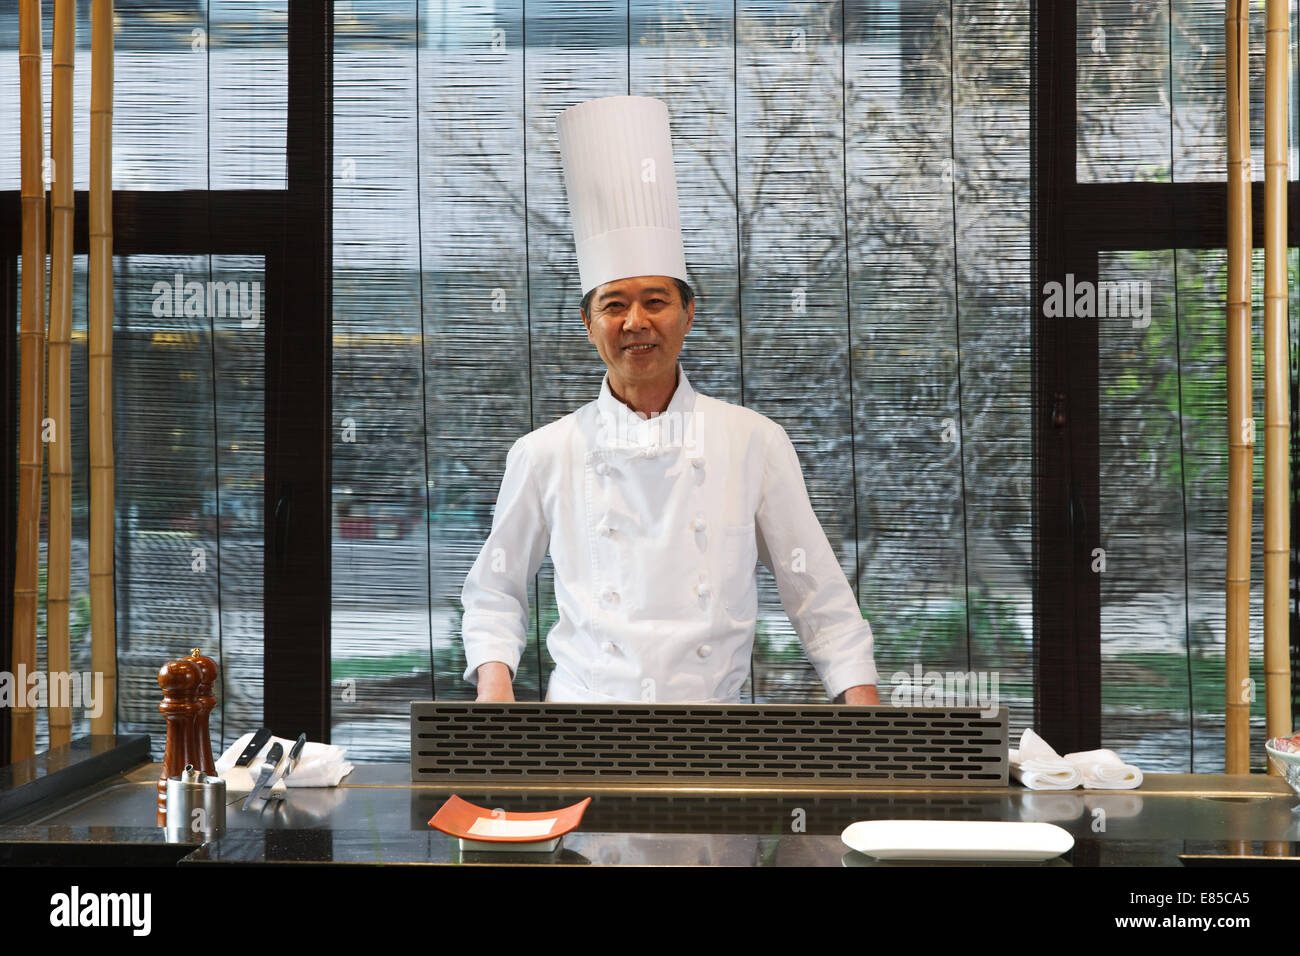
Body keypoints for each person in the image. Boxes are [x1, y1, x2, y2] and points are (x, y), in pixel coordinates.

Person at [461, 95, 879, 705]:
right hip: (580, 732)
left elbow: (815, 591)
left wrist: (868, 723)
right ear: (588, 323)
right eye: (614, 305)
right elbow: (496, 589)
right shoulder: (545, 452)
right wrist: (495, 691)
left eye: (655, 301)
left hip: (713, 734)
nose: (635, 322)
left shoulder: (751, 441)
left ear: (687, 314)